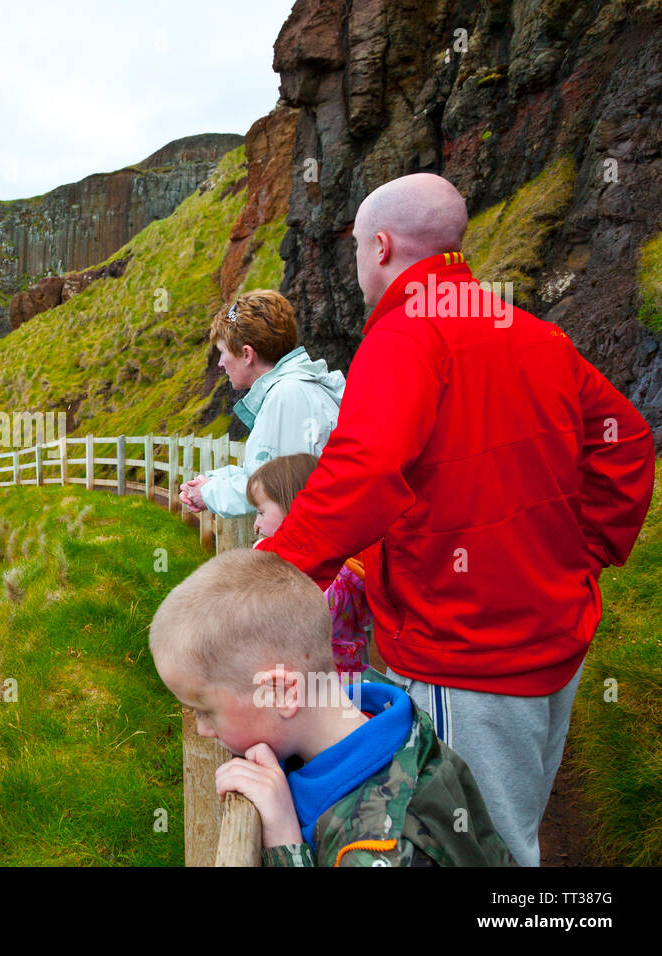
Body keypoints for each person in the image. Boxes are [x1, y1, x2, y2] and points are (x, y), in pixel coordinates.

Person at [254, 172, 655, 866]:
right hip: (555, 634)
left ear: (379, 247)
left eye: (356, 248)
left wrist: (267, 576)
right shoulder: (535, 334)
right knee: (515, 828)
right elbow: (627, 441)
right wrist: (580, 555)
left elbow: (365, 471)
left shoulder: (405, 333)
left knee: (481, 847)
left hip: (469, 651)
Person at [149, 548, 516, 866]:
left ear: (281, 694)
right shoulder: (383, 713)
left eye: (205, 711)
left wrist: (284, 843)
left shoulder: (380, 847)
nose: (202, 730)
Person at [180, 290, 344, 517]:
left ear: (247, 355)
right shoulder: (298, 388)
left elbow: (279, 489)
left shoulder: (288, 396)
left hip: (314, 543)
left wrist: (207, 494)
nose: (220, 363)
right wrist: (212, 483)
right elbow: (268, 470)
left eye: (222, 352)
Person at [247, 453, 371, 675]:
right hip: (338, 679)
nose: (255, 525)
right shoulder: (341, 563)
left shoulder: (325, 579)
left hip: (320, 688)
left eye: (261, 512)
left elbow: (284, 632)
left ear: (294, 507)